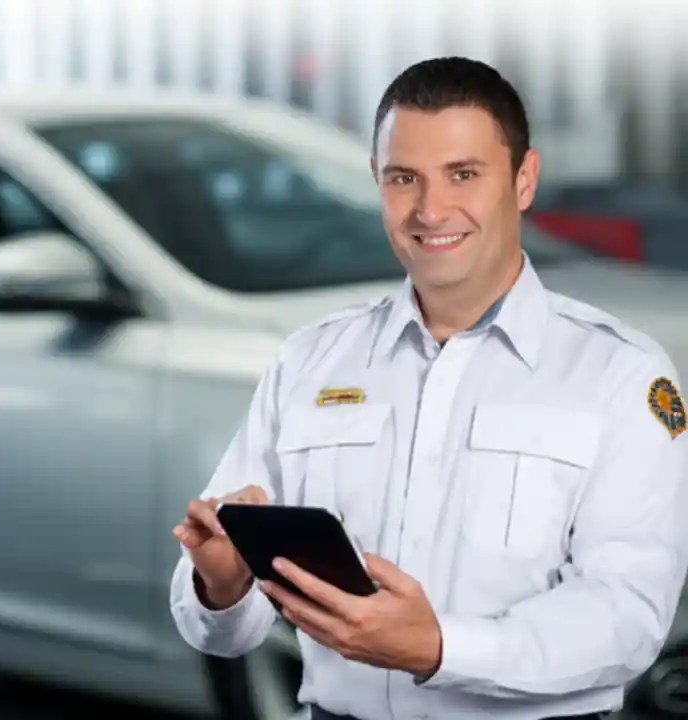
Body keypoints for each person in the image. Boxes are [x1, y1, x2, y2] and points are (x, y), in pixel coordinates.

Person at [169, 56, 688, 720]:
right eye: (403, 178)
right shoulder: (310, 361)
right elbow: (221, 631)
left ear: (523, 179)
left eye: (463, 175)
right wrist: (220, 581)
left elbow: (629, 613)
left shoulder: (619, 372)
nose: (430, 209)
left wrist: (440, 646)